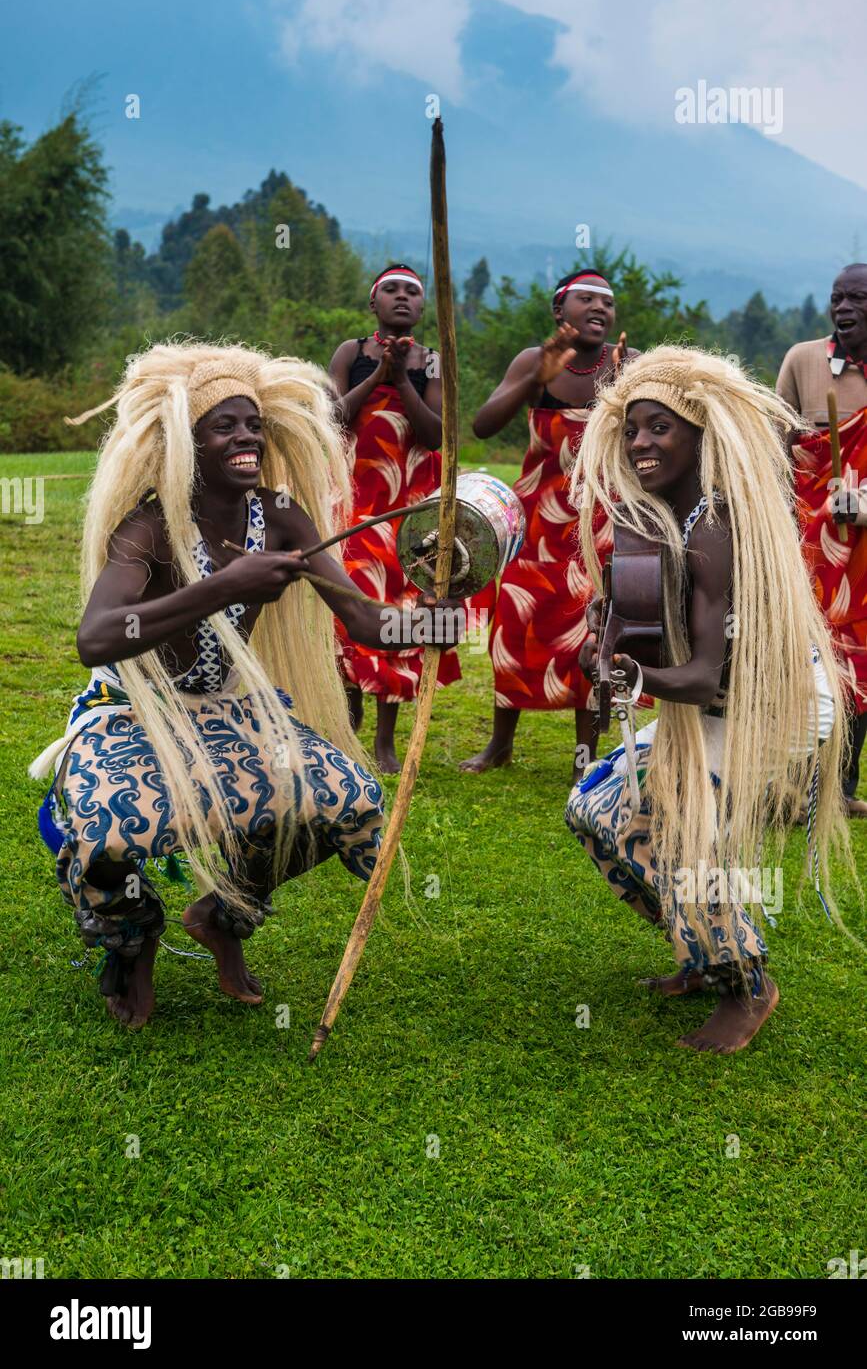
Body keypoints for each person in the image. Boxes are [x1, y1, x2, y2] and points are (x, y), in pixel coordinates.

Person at [30, 344, 459, 1029]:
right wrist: (222, 587)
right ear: (188, 444)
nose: (246, 438)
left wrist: (439, 621)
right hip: (132, 713)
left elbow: (361, 619)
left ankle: (223, 916)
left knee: (346, 800)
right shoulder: (149, 526)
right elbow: (97, 636)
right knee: (110, 835)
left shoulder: (281, 515)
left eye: (253, 424)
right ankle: (132, 941)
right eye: (224, 426)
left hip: (228, 709)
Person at [566, 347, 849, 1054]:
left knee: (671, 831)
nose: (639, 444)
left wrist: (627, 677)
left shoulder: (716, 526)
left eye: (659, 428)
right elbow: (648, 627)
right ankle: (700, 952)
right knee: (592, 809)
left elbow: (698, 678)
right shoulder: (667, 514)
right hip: (712, 698)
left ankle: (746, 984)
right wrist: (606, 650)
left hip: (771, 704)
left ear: (698, 432)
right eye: (631, 431)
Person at [459, 270, 637, 779]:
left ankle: (586, 754)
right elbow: (484, 425)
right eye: (586, 299)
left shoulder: (630, 365)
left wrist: (629, 388)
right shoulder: (532, 361)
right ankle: (500, 743)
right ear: (561, 311)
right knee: (515, 624)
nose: (599, 308)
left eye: (607, 302)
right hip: (535, 519)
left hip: (600, 521)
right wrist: (537, 376)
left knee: (594, 628)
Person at [329, 264, 467, 773]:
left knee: (400, 613)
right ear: (374, 303)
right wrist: (378, 379)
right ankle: (349, 716)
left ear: (423, 307)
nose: (403, 297)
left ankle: (386, 740)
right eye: (392, 289)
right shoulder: (350, 353)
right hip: (355, 506)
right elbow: (333, 417)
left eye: (413, 291)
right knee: (348, 606)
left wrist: (403, 381)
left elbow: (434, 435)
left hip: (409, 510)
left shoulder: (430, 361)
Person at [777, 263, 867, 817]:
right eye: (838, 298)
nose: (844, 307)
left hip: (863, 556)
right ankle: (793, 785)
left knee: (861, 664)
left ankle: (842, 788)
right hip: (811, 547)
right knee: (808, 655)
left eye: (857, 298)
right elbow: (778, 443)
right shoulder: (803, 359)